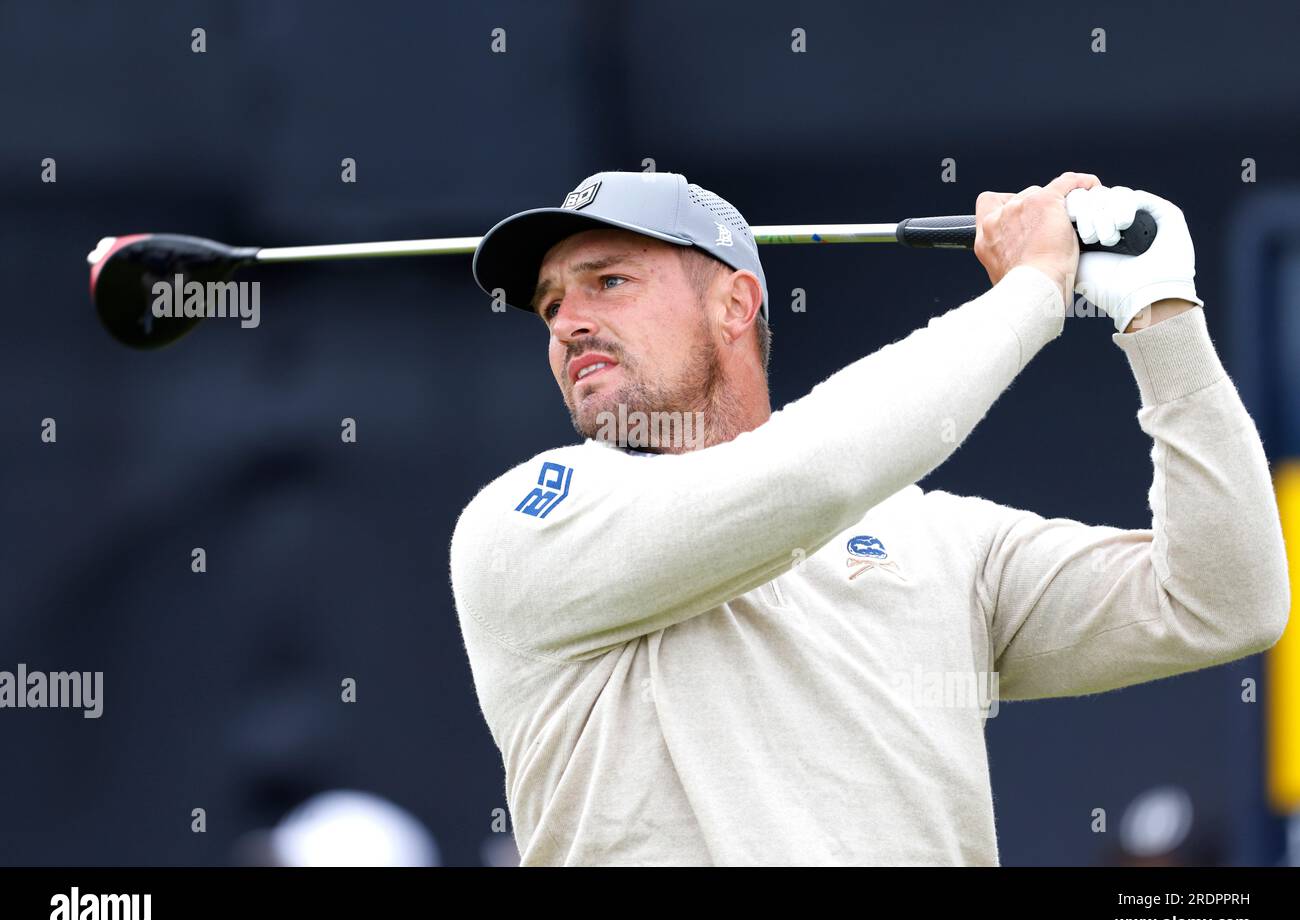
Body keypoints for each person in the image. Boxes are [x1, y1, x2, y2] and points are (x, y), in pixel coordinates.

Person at [449, 169, 1290, 865]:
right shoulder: (526, 526)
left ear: (736, 305)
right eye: (552, 303)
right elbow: (805, 480)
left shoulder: (937, 541)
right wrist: (1037, 287)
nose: (570, 322)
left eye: (608, 281)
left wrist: (1161, 315)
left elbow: (1223, 601)